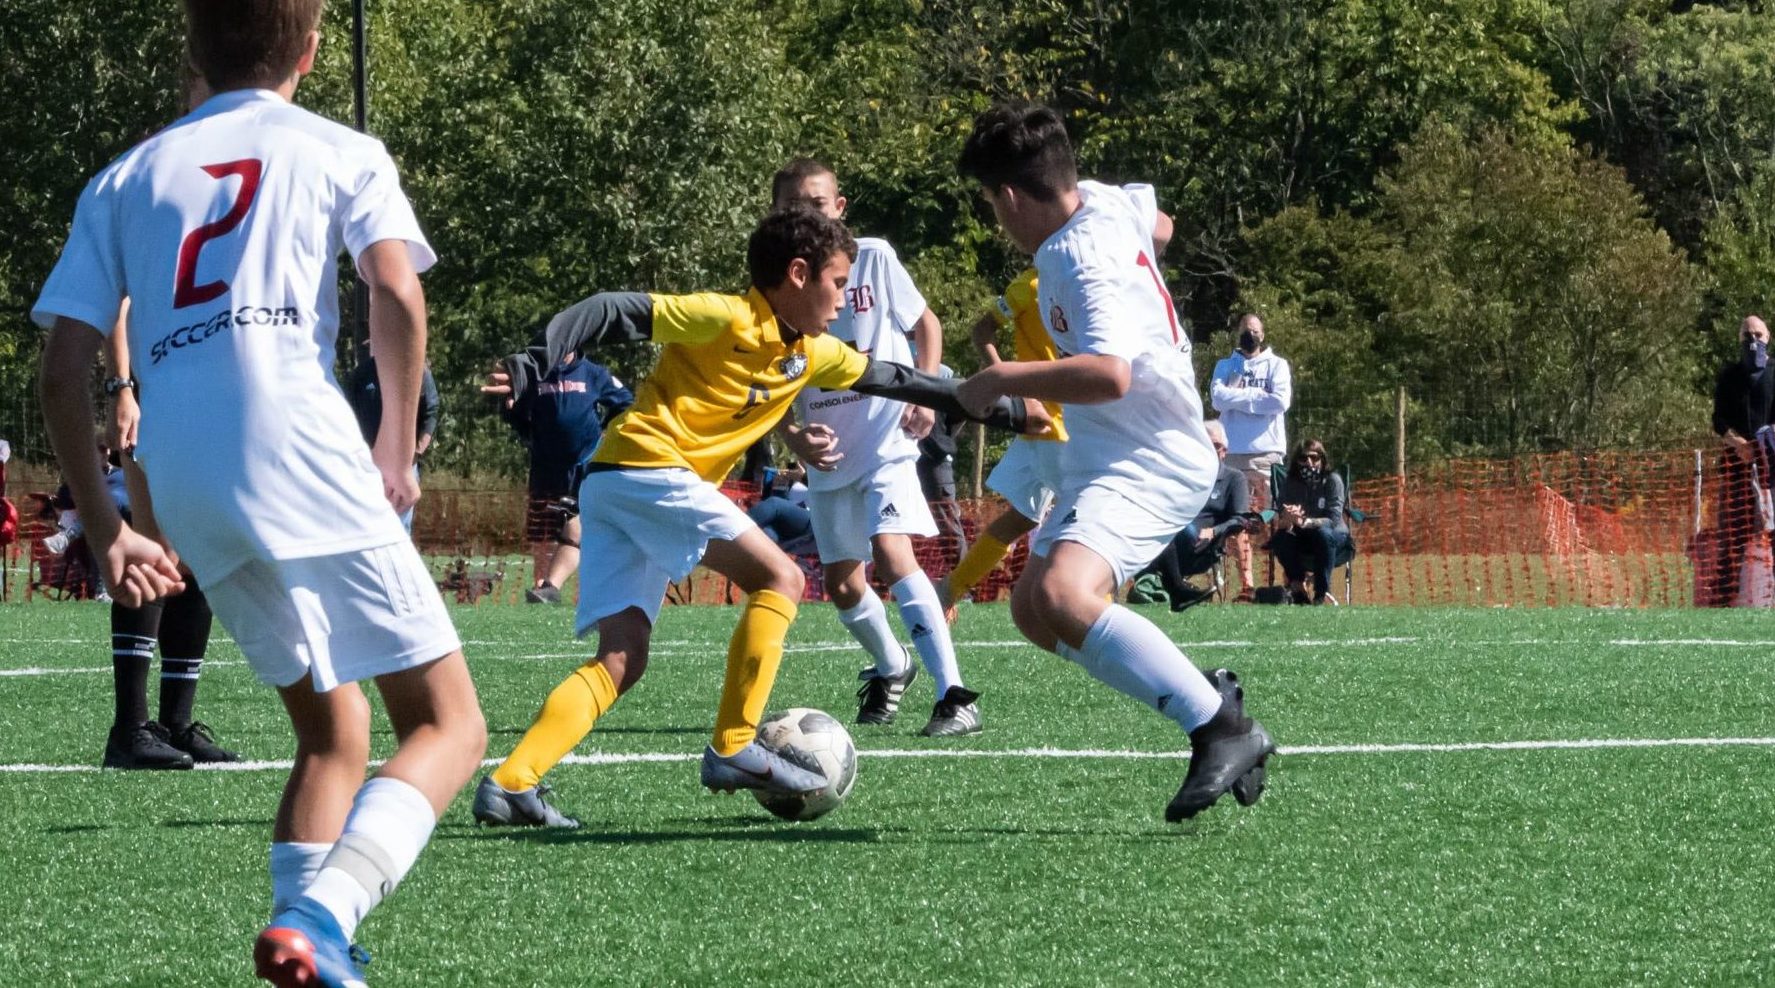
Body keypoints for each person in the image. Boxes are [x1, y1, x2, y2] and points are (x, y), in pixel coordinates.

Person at [33, 3, 487, 985]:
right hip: (294, 437)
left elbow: (62, 367)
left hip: (181, 468)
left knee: (334, 731)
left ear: (193, 53)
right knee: (449, 725)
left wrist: (108, 523)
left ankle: (305, 949)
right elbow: (395, 294)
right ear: (311, 52)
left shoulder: (123, 176)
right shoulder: (339, 147)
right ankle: (327, 914)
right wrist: (397, 445)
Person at [470, 207, 1038, 829]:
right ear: (798, 274)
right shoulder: (727, 315)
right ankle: (734, 745)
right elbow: (609, 308)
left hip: (613, 485)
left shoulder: (815, 352)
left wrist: (1004, 409)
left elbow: (898, 378)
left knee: (622, 660)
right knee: (782, 578)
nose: (845, 298)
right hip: (649, 468)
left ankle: (511, 783)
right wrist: (535, 361)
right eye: (838, 281)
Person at [954, 101, 1273, 822]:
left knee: (1065, 597)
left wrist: (1001, 379)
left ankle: (1221, 727)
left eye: (989, 204)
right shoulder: (1098, 199)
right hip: (1100, 454)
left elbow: (1110, 376)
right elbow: (1157, 221)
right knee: (1034, 612)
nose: (995, 220)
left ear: (1008, 196)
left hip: (1149, 455)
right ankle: (1201, 693)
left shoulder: (1075, 260)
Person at [769, 159, 981, 737]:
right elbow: (766, 373)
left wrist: (927, 393)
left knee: (892, 555)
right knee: (842, 583)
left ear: (840, 209)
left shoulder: (875, 257)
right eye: (794, 207)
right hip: (831, 451)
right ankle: (893, 666)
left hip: (887, 434)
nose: (807, 216)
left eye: (818, 204)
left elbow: (926, 326)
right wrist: (791, 433)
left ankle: (955, 696)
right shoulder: (773, 284)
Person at [100, 301, 239, 769]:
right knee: (157, 547)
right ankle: (130, 728)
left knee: (194, 555)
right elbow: (117, 305)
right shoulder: (148, 226)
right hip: (150, 395)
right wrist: (122, 388)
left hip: (202, 397)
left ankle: (176, 724)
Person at [940, 268, 1067, 618]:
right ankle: (1092, 609)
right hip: (1052, 422)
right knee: (1086, 512)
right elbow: (982, 330)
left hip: (1063, 418)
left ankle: (948, 590)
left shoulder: (1086, 276)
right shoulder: (1029, 286)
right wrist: (1004, 378)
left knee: (1022, 518)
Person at [491, 348, 634, 604]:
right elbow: (515, 412)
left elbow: (625, 401)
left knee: (575, 528)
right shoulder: (535, 374)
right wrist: (515, 417)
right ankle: (542, 587)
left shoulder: (593, 373)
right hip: (545, 466)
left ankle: (551, 586)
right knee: (542, 529)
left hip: (584, 465)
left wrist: (606, 430)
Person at [1210, 314, 1290, 597]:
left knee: (1273, 518)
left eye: (1255, 331)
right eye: (1245, 331)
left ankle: (1289, 583)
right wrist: (1258, 398)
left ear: (1263, 335)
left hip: (1266, 454)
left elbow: (1280, 401)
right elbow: (1217, 399)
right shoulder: (1225, 365)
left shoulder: (1277, 366)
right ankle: (1247, 583)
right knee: (1237, 520)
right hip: (1233, 455)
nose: (1250, 335)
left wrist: (1240, 396)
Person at [1135, 419, 1251, 611]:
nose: (1211, 450)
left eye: (1216, 446)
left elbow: (1240, 519)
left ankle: (1164, 586)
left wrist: (1214, 532)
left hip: (1203, 545)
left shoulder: (1234, 478)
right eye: (1205, 445)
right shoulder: (1180, 475)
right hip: (1169, 536)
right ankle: (1172, 587)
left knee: (1173, 527)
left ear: (1225, 451)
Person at [1711, 315, 1774, 604]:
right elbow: (1718, 420)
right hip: (1736, 465)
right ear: (1739, 339)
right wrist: (1738, 444)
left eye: (1758, 335)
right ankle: (1723, 598)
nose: (1753, 341)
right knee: (1733, 533)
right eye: (1747, 335)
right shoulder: (1728, 376)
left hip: (1771, 466)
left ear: (1768, 337)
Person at [345, 340, 440, 533]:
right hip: (366, 464)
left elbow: (431, 411)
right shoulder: (361, 374)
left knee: (399, 526)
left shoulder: (418, 370)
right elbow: (345, 413)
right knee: (364, 525)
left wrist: (417, 452)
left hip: (404, 464)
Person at [1268, 439, 1351, 605]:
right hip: (1301, 535)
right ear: (1296, 461)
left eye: (1314, 458)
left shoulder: (1332, 480)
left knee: (1323, 534)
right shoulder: (1290, 483)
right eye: (1303, 458)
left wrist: (1305, 521)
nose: (1309, 462)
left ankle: (1321, 593)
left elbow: (1333, 520)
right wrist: (1288, 518)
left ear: (1322, 459)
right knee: (1280, 538)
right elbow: (1283, 519)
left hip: (1333, 536)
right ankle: (1297, 587)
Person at [747, 461, 816, 556]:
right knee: (767, 533)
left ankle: (731, 532)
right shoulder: (795, 474)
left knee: (775, 503)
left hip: (817, 525)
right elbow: (784, 502)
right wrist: (780, 486)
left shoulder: (826, 475)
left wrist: (803, 477)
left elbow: (827, 495)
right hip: (792, 527)